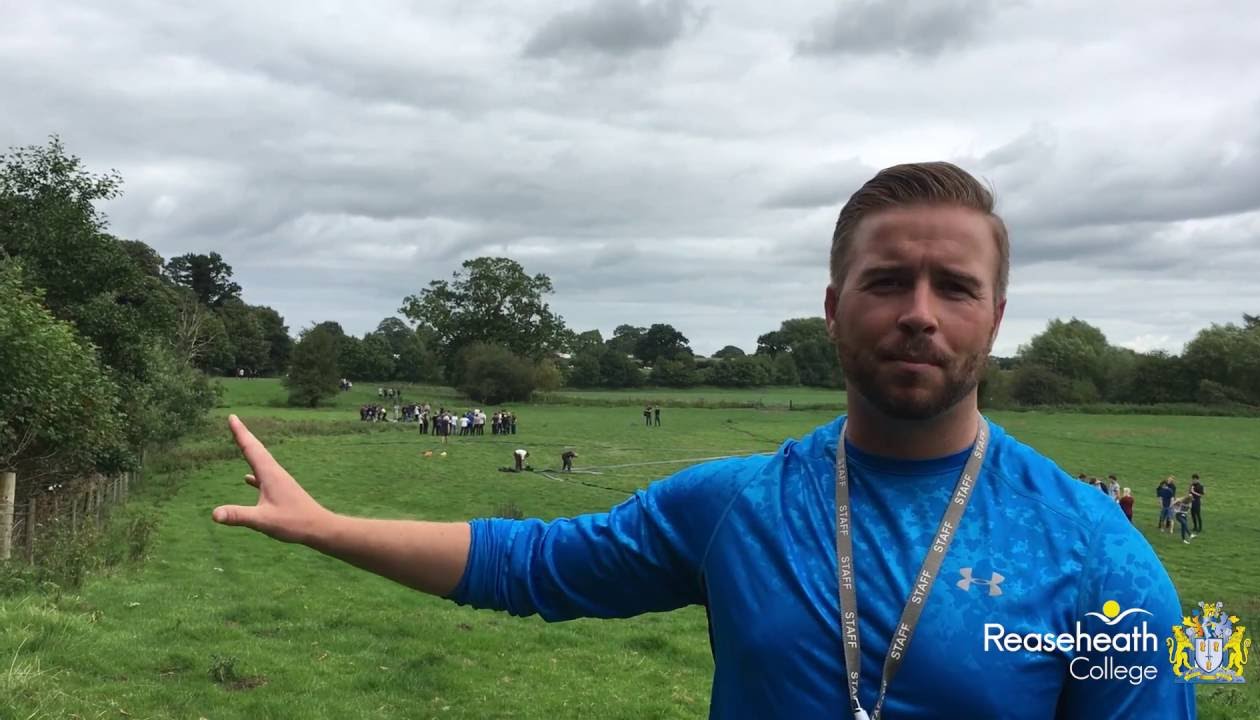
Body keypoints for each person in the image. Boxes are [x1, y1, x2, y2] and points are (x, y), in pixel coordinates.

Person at [212, 162, 1192, 718]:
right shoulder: (735, 507)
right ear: (831, 307)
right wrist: (326, 527)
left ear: (997, 315)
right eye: (887, 281)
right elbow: (533, 564)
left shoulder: (1098, 555)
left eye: (955, 287)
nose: (919, 315)